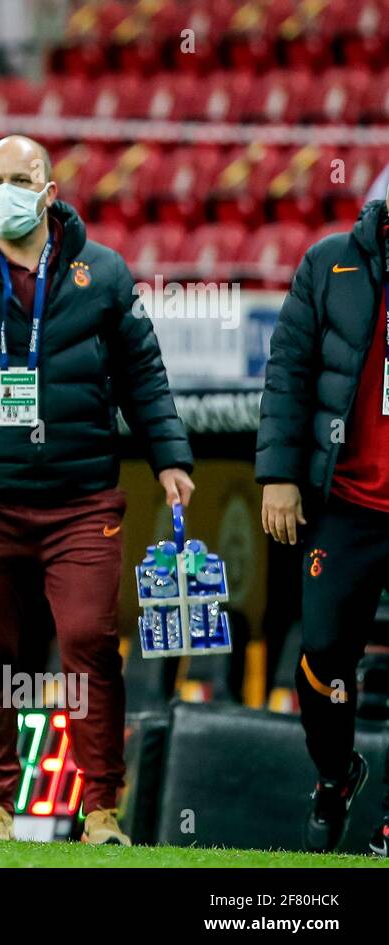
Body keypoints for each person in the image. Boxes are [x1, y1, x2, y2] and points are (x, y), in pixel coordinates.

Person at [0, 134, 193, 846]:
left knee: (89, 640)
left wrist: (170, 454)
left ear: (49, 192)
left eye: (20, 178)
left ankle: (102, 812)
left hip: (80, 498)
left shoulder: (104, 274)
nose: (4, 191)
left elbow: (144, 374)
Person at [256, 188, 389, 856]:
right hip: (349, 504)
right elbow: (288, 372)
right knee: (324, 657)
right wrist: (279, 476)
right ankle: (336, 776)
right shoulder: (330, 264)